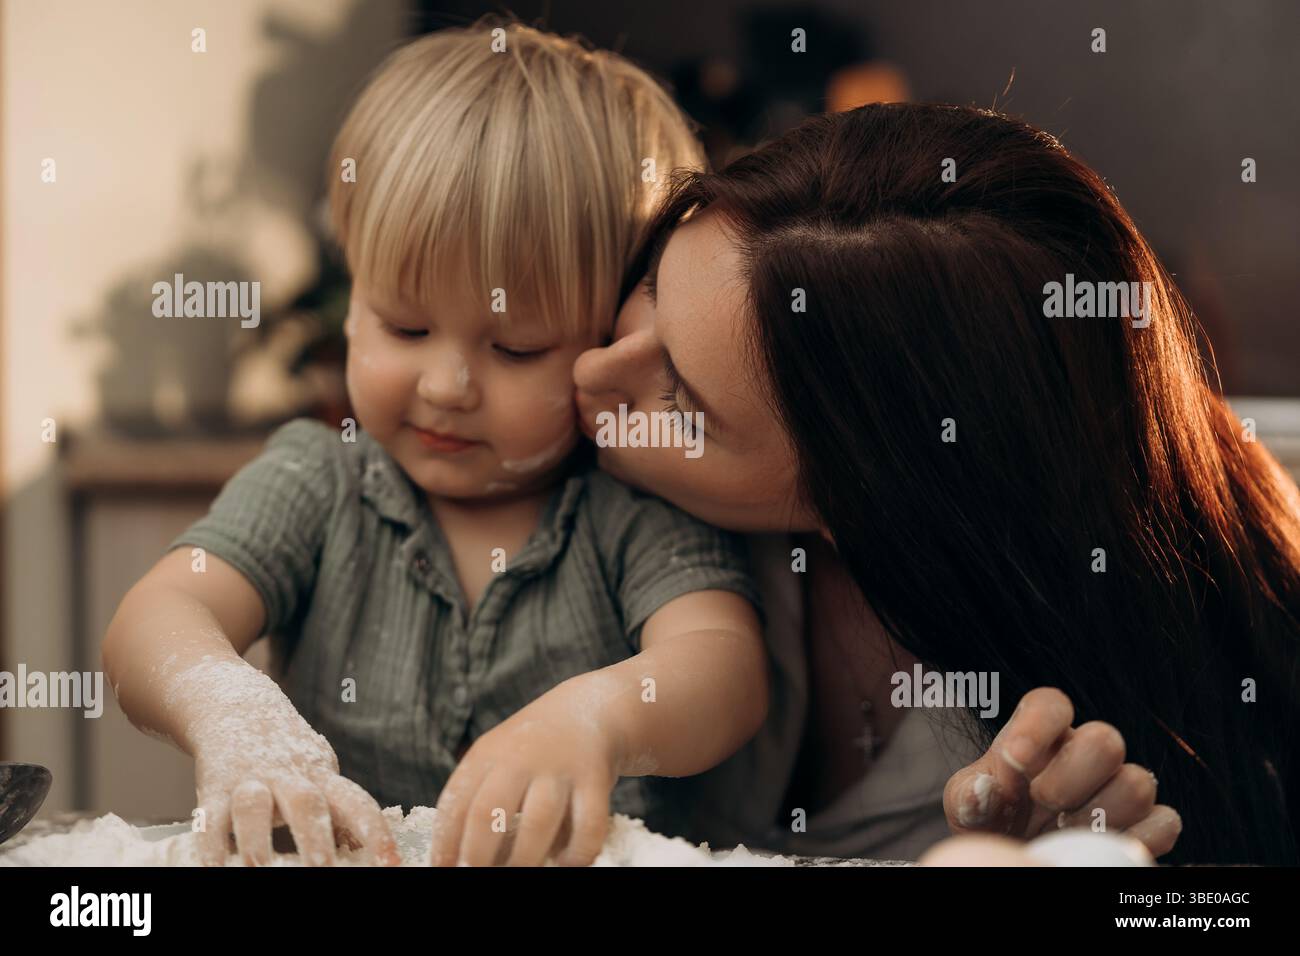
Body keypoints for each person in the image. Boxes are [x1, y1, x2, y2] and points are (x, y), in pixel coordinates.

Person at [102, 22, 770, 868]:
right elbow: (156, 617)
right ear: (352, 303)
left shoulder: (631, 505)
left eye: (517, 346)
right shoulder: (317, 481)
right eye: (404, 324)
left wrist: (598, 718)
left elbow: (727, 670)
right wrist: (234, 711)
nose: (447, 384)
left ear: (606, 338)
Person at [575, 102, 1300, 864]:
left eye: (685, 406)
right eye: (652, 286)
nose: (589, 369)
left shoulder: (1085, 733)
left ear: (863, 507)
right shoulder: (535, 468)